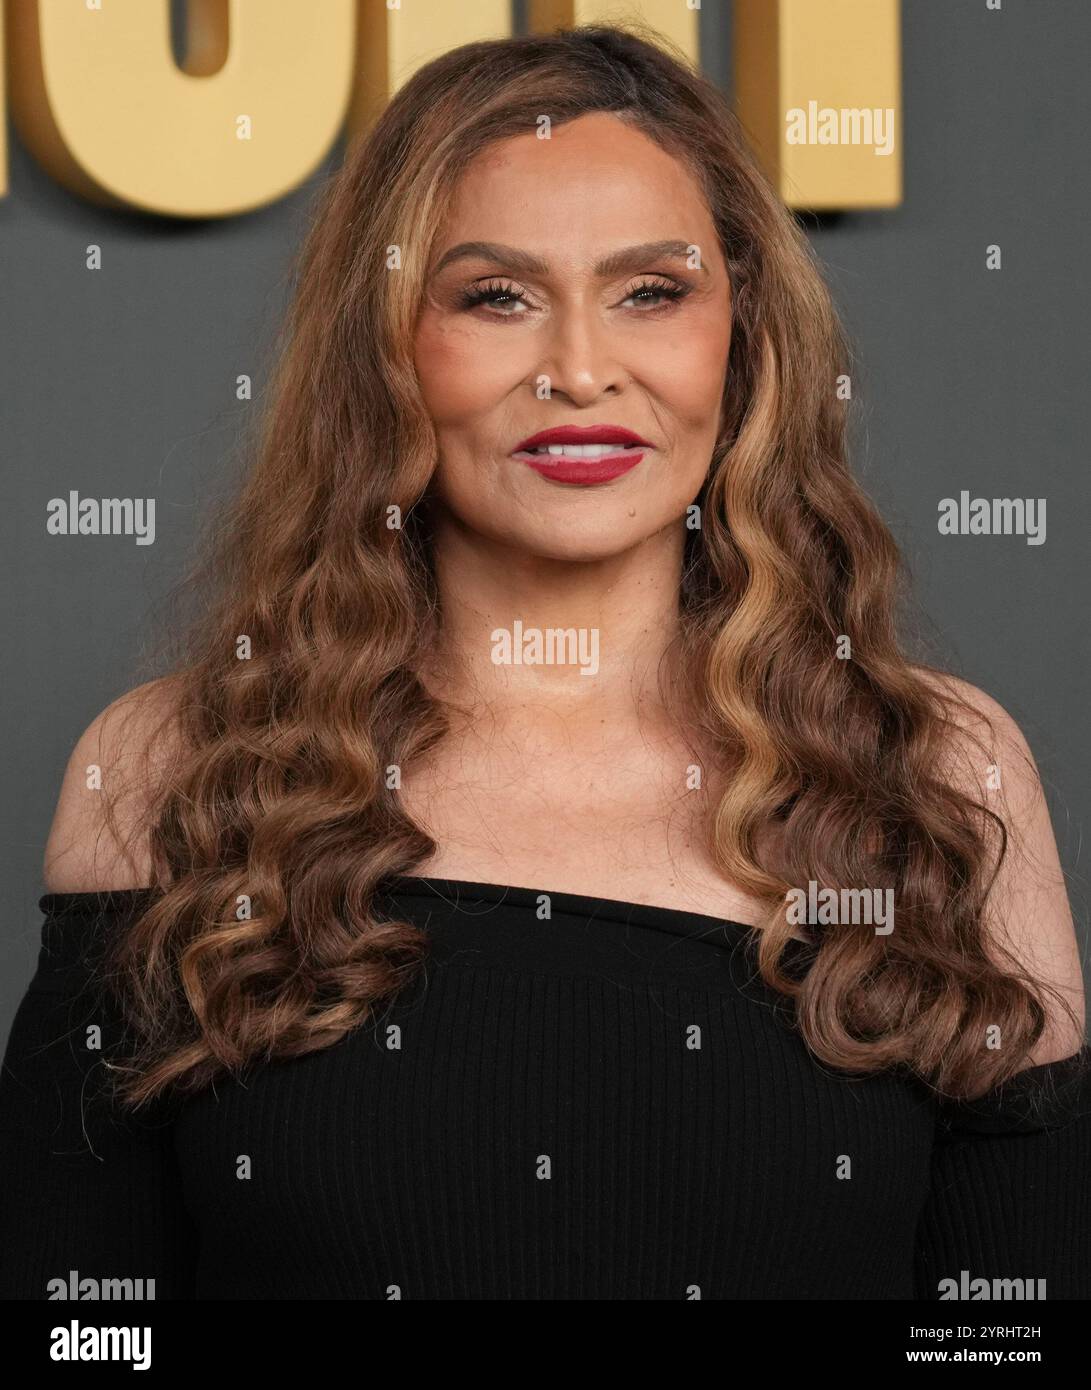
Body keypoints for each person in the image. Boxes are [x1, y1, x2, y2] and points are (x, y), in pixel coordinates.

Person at [2, 25, 1087, 1301]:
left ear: (741, 338)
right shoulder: (169, 775)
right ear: (389, 345)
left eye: (650, 291)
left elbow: (1010, 1333)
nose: (580, 369)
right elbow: (79, 1329)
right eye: (495, 296)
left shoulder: (941, 778)